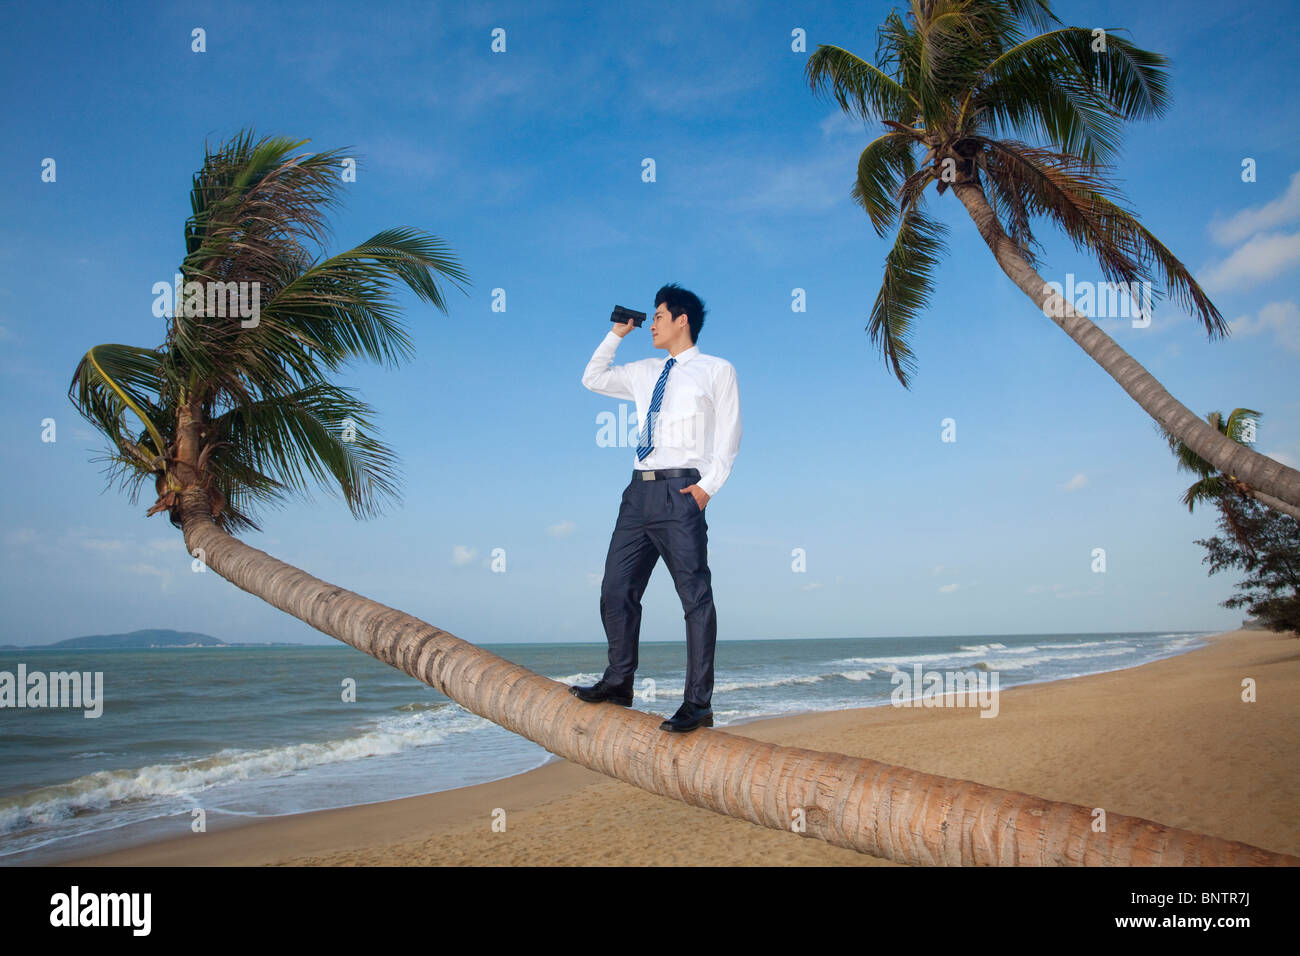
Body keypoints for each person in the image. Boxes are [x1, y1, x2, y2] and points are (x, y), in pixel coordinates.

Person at [571, 283, 741, 733]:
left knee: (695, 599)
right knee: (615, 589)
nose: (653, 324)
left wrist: (709, 488)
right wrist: (616, 334)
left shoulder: (716, 369)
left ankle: (698, 705)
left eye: (659, 316)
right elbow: (592, 378)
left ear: (682, 320)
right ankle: (618, 681)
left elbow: (729, 433)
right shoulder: (645, 370)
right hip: (637, 493)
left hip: (682, 490)